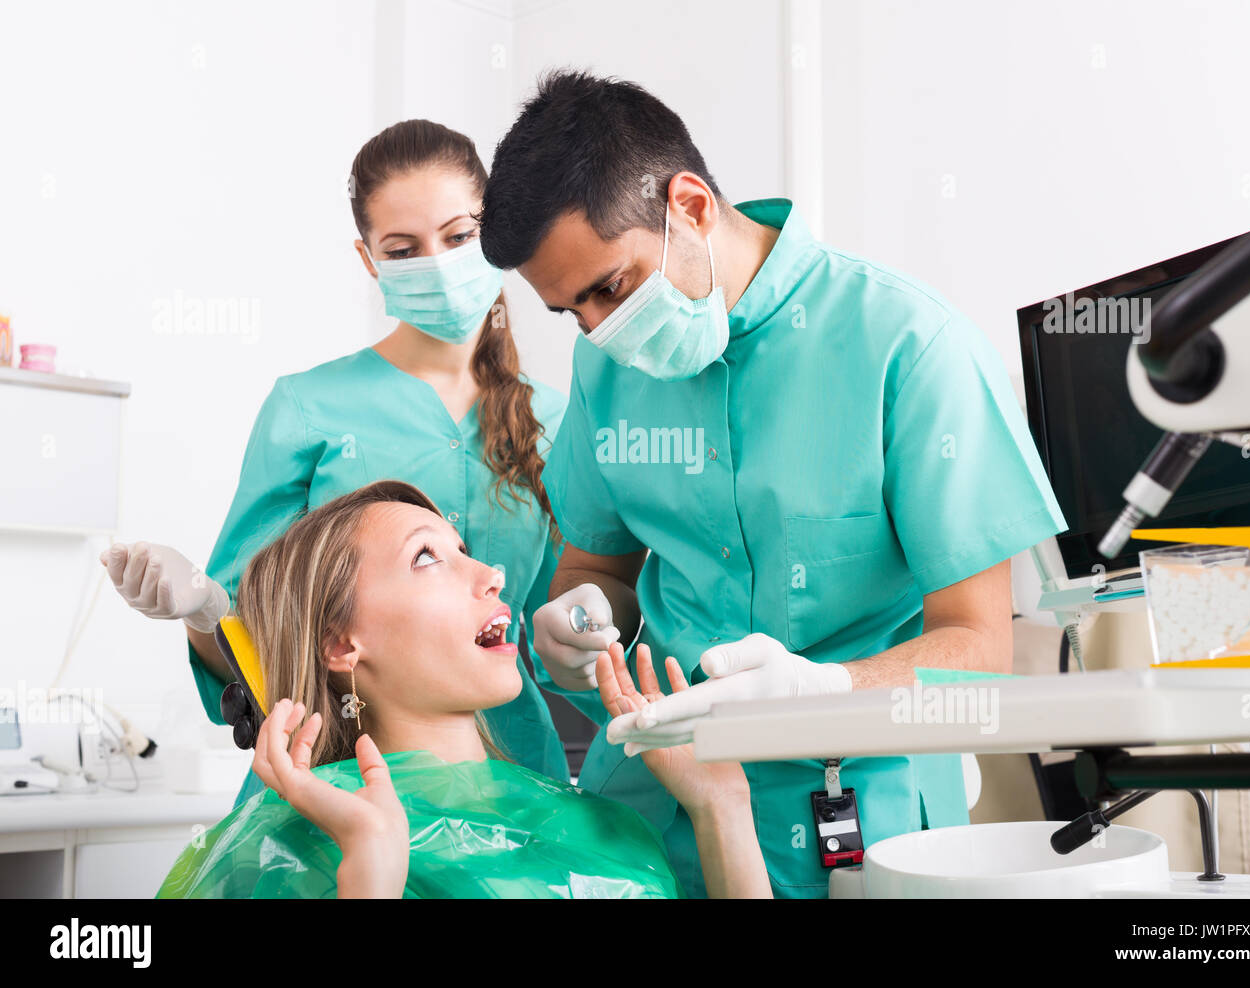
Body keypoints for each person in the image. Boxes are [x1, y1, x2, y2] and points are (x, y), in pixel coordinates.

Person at [477, 71, 1067, 897]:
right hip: (649, 816)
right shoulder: (606, 370)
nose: (599, 332)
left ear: (688, 206)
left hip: (855, 815)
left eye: (610, 288)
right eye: (570, 311)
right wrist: (579, 620)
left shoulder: (908, 348)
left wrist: (826, 691)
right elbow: (597, 568)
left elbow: (981, 650)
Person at [102, 120, 570, 803]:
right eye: (403, 248)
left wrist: (589, 630)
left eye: (458, 236)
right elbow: (255, 645)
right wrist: (204, 609)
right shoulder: (309, 408)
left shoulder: (556, 422)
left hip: (514, 776)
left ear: (493, 229)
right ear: (369, 260)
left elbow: (566, 637)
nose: (436, 262)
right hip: (335, 774)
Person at [158, 481, 771, 899]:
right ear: (342, 644)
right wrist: (371, 872)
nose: (492, 574)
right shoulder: (297, 849)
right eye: (426, 558)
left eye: (465, 550)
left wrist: (721, 806)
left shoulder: (601, 826)